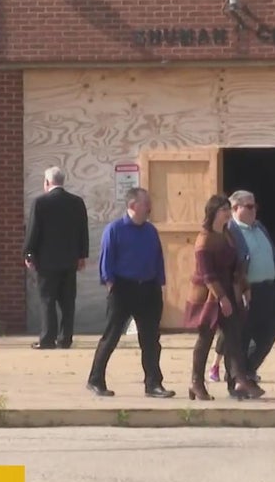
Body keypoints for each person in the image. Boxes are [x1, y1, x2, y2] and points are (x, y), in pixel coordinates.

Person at [87, 188, 174, 399]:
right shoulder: (115, 229)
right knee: (111, 336)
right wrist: (111, 285)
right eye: (146, 203)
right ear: (133, 205)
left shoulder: (151, 231)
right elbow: (106, 261)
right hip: (123, 289)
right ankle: (95, 379)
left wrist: (159, 284)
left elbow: (158, 259)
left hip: (148, 289)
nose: (150, 207)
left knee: (151, 339)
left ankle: (153, 384)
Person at [185, 195, 266, 401]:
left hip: (229, 290)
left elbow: (237, 265)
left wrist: (244, 287)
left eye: (228, 209)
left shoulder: (228, 235)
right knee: (205, 338)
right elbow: (207, 274)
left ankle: (240, 379)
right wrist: (221, 298)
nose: (228, 213)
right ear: (213, 213)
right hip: (209, 296)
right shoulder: (204, 239)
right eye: (223, 209)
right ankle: (196, 382)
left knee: (233, 336)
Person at [214, 190, 275, 393]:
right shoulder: (229, 231)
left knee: (270, 330)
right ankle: (236, 381)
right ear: (235, 208)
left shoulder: (259, 227)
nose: (255, 210)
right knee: (241, 337)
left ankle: (245, 372)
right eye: (249, 206)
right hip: (246, 291)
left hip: (268, 289)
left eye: (255, 206)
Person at [23, 167, 89, 350]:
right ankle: (65, 338)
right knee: (68, 301)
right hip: (70, 259)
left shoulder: (40, 203)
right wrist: (82, 255)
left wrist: (28, 252)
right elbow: (83, 230)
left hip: (47, 260)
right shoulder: (77, 202)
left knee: (47, 299)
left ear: (47, 182)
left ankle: (47, 339)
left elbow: (33, 230)